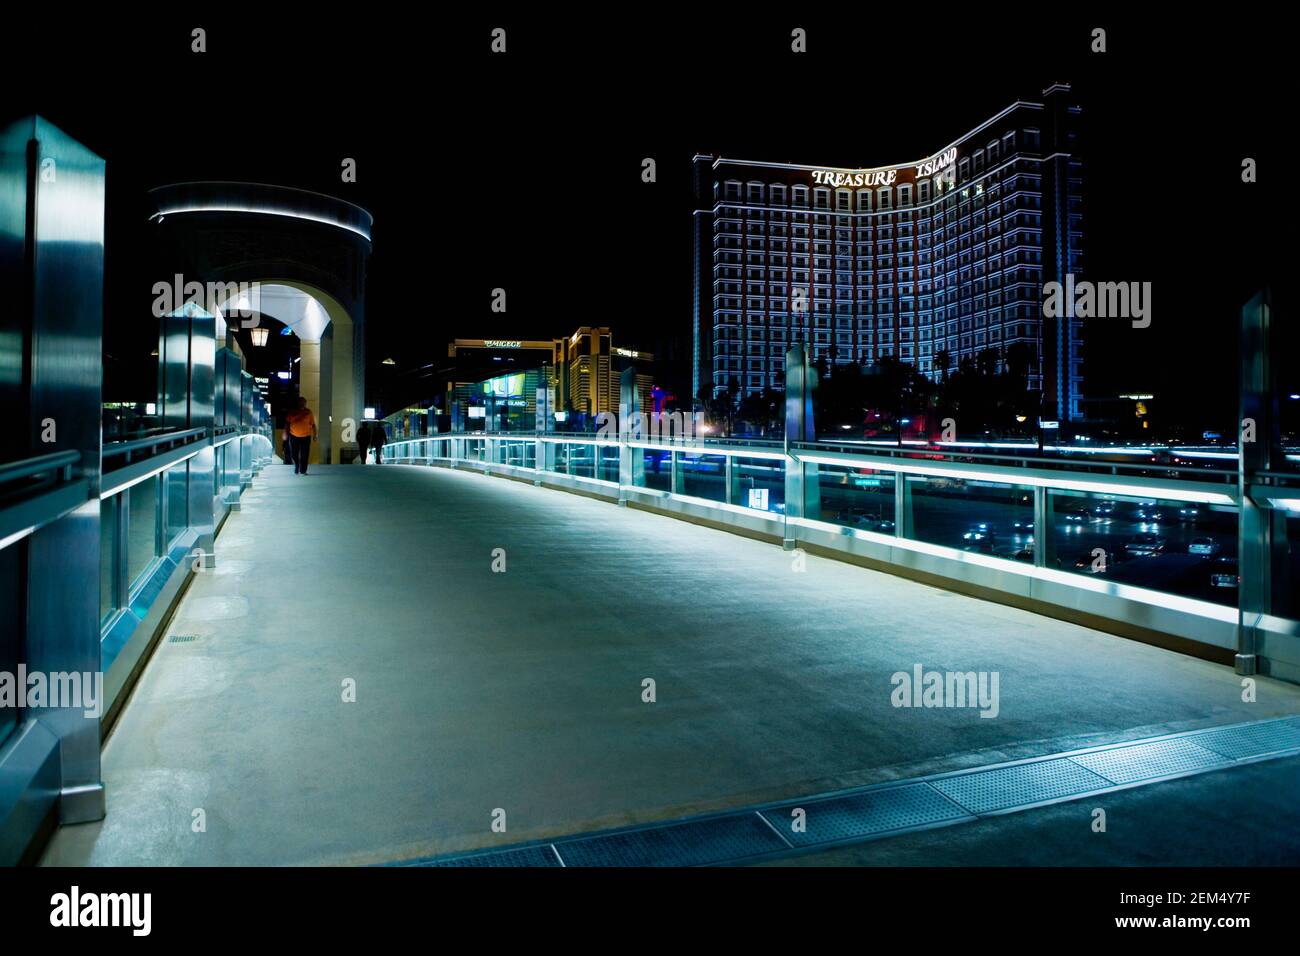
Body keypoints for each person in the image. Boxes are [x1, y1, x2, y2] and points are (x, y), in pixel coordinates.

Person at [284, 397, 317, 475]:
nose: (302, 404)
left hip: (306, 436)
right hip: (293, 436)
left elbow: (313, 425)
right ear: (298, 403)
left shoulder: (308, 412)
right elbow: (287, 424)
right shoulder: (292, 412)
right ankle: (297, 464)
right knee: (294, 454)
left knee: (305, 454)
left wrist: (315, 435)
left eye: (304, 402)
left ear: (305, 403)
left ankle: (303, 470)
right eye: (300, 402)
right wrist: (285, 433)